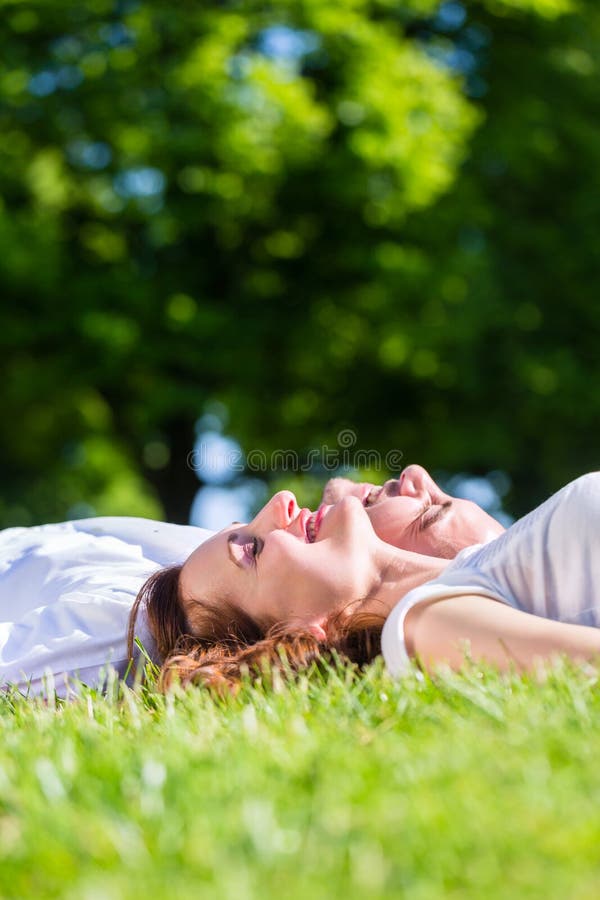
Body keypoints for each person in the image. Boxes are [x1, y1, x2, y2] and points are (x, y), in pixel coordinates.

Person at [131, 468, 600, 693]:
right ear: (303, 628)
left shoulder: (475, 569)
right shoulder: (425, 624)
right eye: (251, 549)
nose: (281, 503)